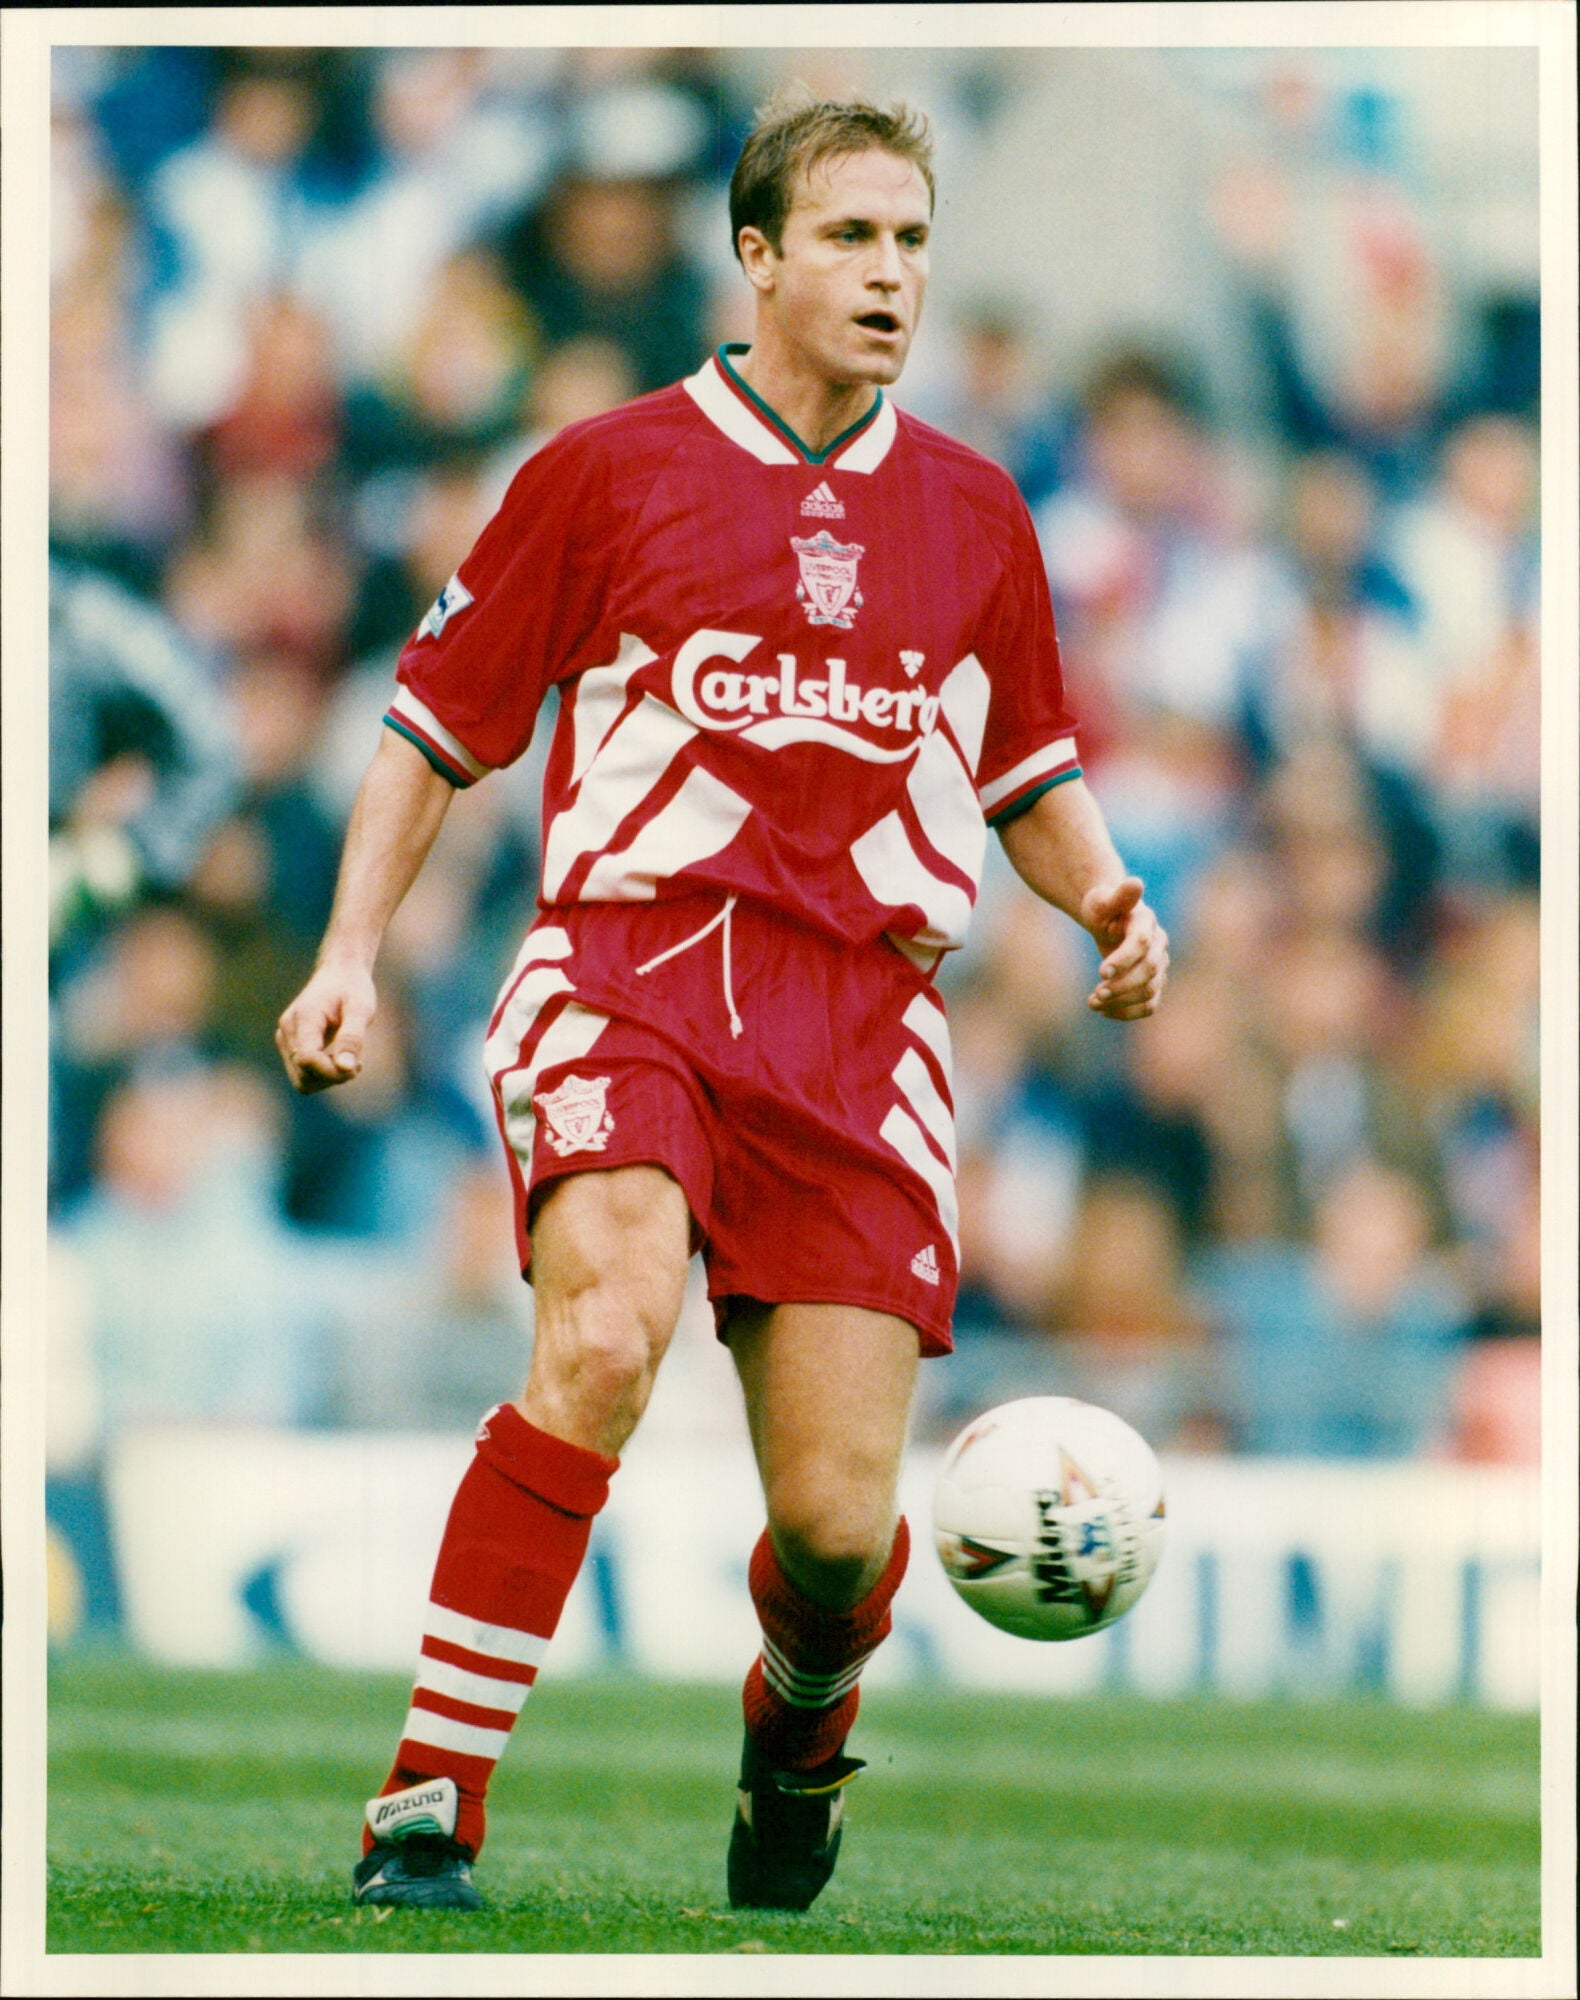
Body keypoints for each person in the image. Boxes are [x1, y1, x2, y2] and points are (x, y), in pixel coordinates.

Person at [276, 93, 1168, 1916]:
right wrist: (350, 950)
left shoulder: (979, 514)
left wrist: (1105, 898)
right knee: (605, 1332)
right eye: (850, 238)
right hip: (636, 971)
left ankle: (799, 1741)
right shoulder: (601, 472)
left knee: (837, 1537)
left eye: (912, 241)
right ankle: (426, 1803)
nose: (890, 275)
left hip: (859, 1030)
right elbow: (433, 724)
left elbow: (1028, 771)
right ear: (755, 257)